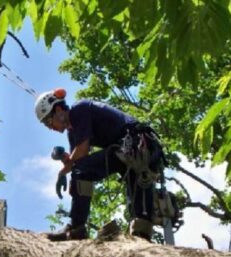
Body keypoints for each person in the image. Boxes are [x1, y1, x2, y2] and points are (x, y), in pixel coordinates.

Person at [35, 88, 163, 241]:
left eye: (49, 122)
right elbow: (77, 160)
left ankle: (77, 228)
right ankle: (140, 236)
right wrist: (67, 167)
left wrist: (64, 172)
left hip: (135, 145)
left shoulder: (78, 110)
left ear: (58, 109)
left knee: (84, 171)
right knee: (83, 172)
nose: (50, 128)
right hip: (126, 150)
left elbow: (81, 152)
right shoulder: (73, 132)